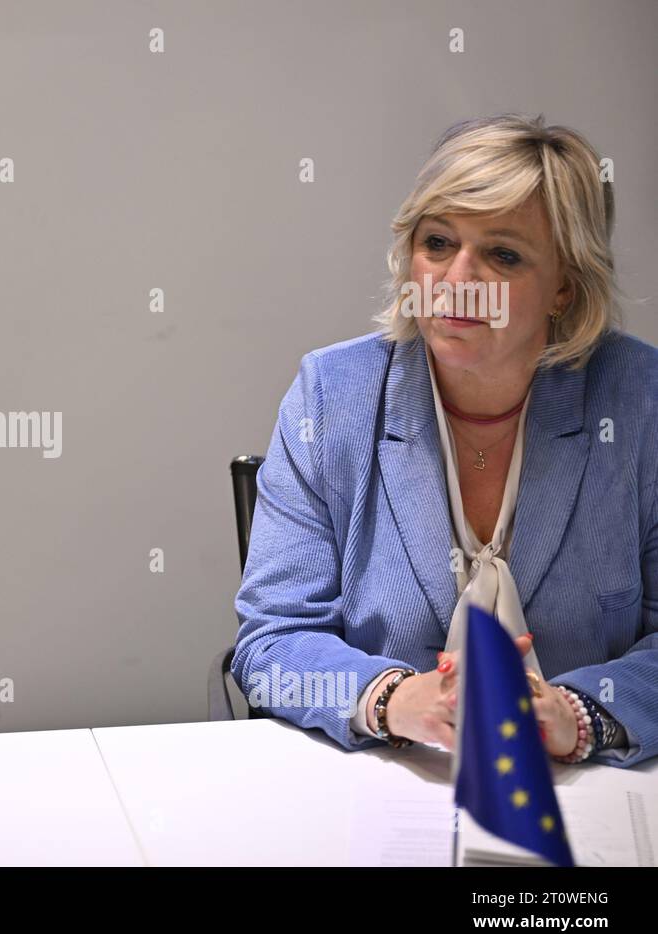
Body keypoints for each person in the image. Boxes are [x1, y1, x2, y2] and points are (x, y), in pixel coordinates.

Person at [233, 114, 655, 767]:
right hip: (387, 789)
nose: (456, 279)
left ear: (565, 285)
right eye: (437, 243)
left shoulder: (639, 401)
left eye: (503, 254)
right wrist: (397, 700)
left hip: (590, 796)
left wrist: (577, 714)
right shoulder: (332, 396)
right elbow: (271, 639)